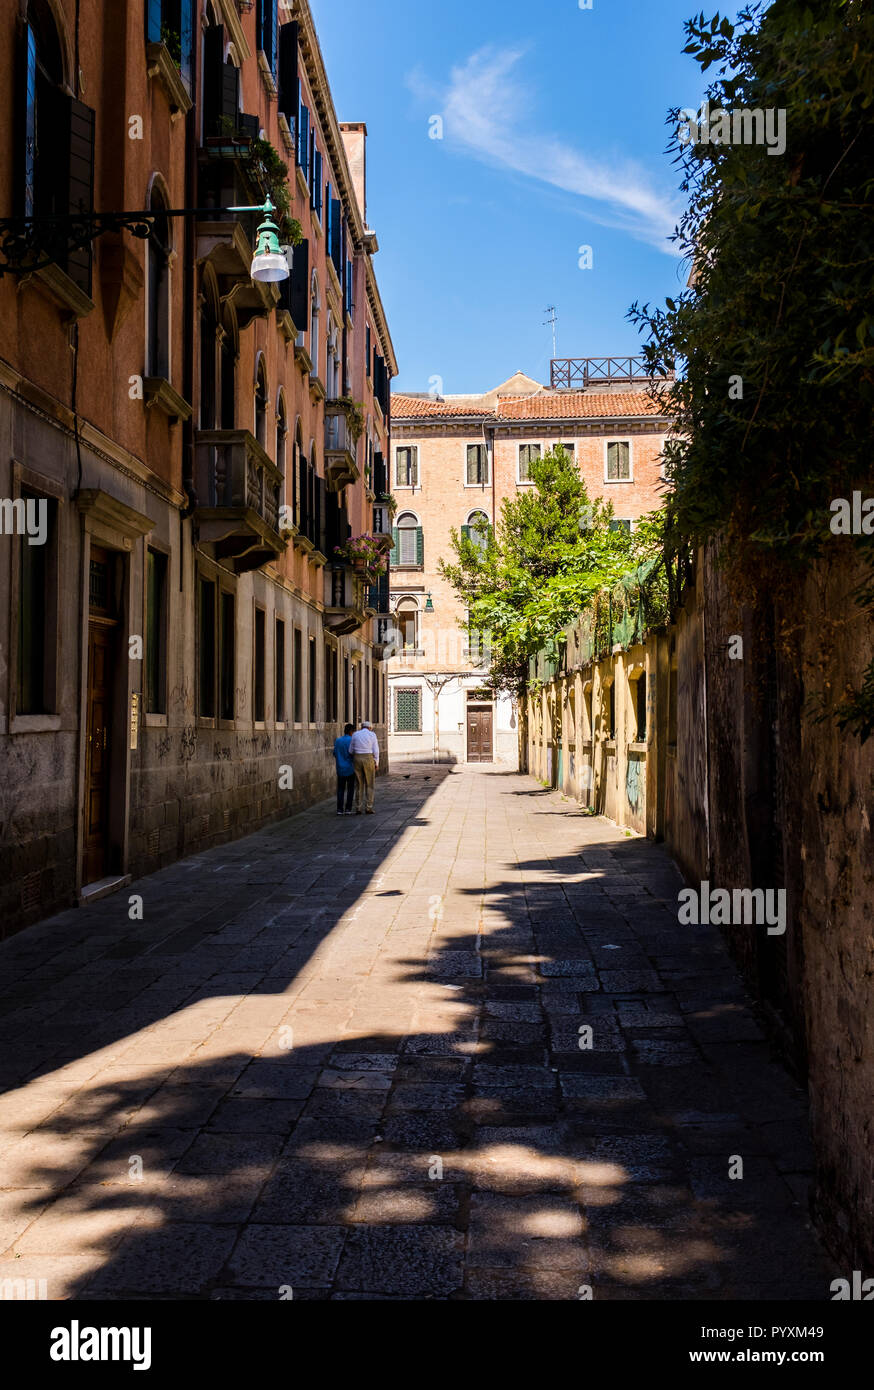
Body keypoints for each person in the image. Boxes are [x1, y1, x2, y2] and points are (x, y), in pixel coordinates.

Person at [350, 719, 380, 814]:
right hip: (368, 758)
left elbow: (350, 750)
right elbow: (376, 750)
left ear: (362, 727)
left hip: (357, 758)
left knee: (359, 784)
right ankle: (369, 807)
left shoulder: (355, 734)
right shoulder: (372, 735)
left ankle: (358, 807)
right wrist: (376, 762)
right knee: (370, 783)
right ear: (370, 728)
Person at [333, 723, 356, 815]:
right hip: (350, 768)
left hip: (340, 768)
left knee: (340, 789)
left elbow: (334, 753)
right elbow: (354, 753)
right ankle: (348, 809)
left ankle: (339, 809)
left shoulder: (338, 740)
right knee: (350, 789)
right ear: (351, 731)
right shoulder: (352, 740)